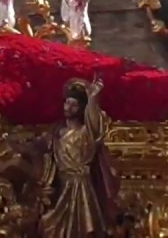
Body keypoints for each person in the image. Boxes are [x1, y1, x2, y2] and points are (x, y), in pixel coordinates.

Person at [38, 77, 118, 237]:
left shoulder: (86, 133)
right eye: (66, 103)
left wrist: (93, 99)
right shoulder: (55, 134)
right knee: (49, 226)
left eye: (74, 104)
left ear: (82, 109)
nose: (68, 107)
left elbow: (95, 121)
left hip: (83, 187)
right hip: (62, 187)